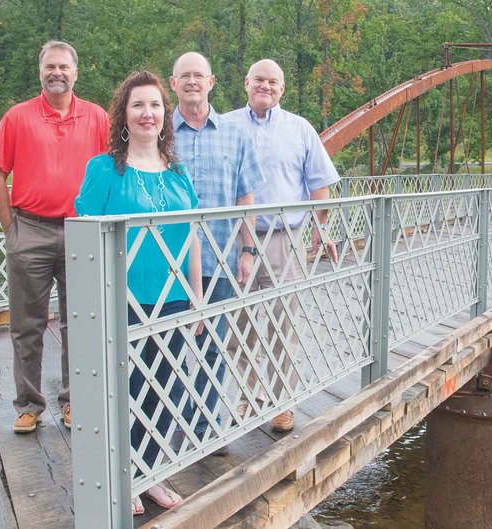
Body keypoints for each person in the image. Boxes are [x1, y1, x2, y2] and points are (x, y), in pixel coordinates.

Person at [75, 70, 200, 516]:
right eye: (138, 105)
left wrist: (197, 296)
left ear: (164, 116)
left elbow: (194, 238)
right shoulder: (104, 169)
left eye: (154, 105)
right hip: (121, 300)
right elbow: (85, 239)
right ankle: (121, 476)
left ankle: (153, 474)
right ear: (124, 116)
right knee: (122, 390)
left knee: (164, 388)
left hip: (174, 297)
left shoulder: (179, 172)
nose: (148, 113)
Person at [0, 40, 109, 435]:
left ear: (76, 72)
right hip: (31, 228)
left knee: (82, 321)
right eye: (49, 67)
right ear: (40, 72)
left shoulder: (96, 117)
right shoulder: (17, 117)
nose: (57, 73)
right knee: (27, 323)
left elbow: (113, 169)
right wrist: (11, 228)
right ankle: (28, 404)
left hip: (82, 230)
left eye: (64, 66)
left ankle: (77, 400)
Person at [224, 59, 340, 433]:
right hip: (234, 239)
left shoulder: (300, 129)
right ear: (246, 83)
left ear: (282, 89)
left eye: (273, 82)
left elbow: (319, 184)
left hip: (283, 239)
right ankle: (247, 395)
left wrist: (321, 229)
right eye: (259, 79)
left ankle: (282, 401)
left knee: (282, 323)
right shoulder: (225, 125)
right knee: (239, 325)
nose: (266, 86)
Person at [170, 52, 265, 440]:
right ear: (172, 83)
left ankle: (206, 425)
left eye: (199, 76)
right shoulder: (157, 132)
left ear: (211, 82)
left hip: (220, 258)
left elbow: (246, 199)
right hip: (168, 263)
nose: (192, 82)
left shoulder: (234, 134)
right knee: (169, 350)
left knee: (213, 348)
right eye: (184, 76)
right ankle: (171, 424)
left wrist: (248, 251)